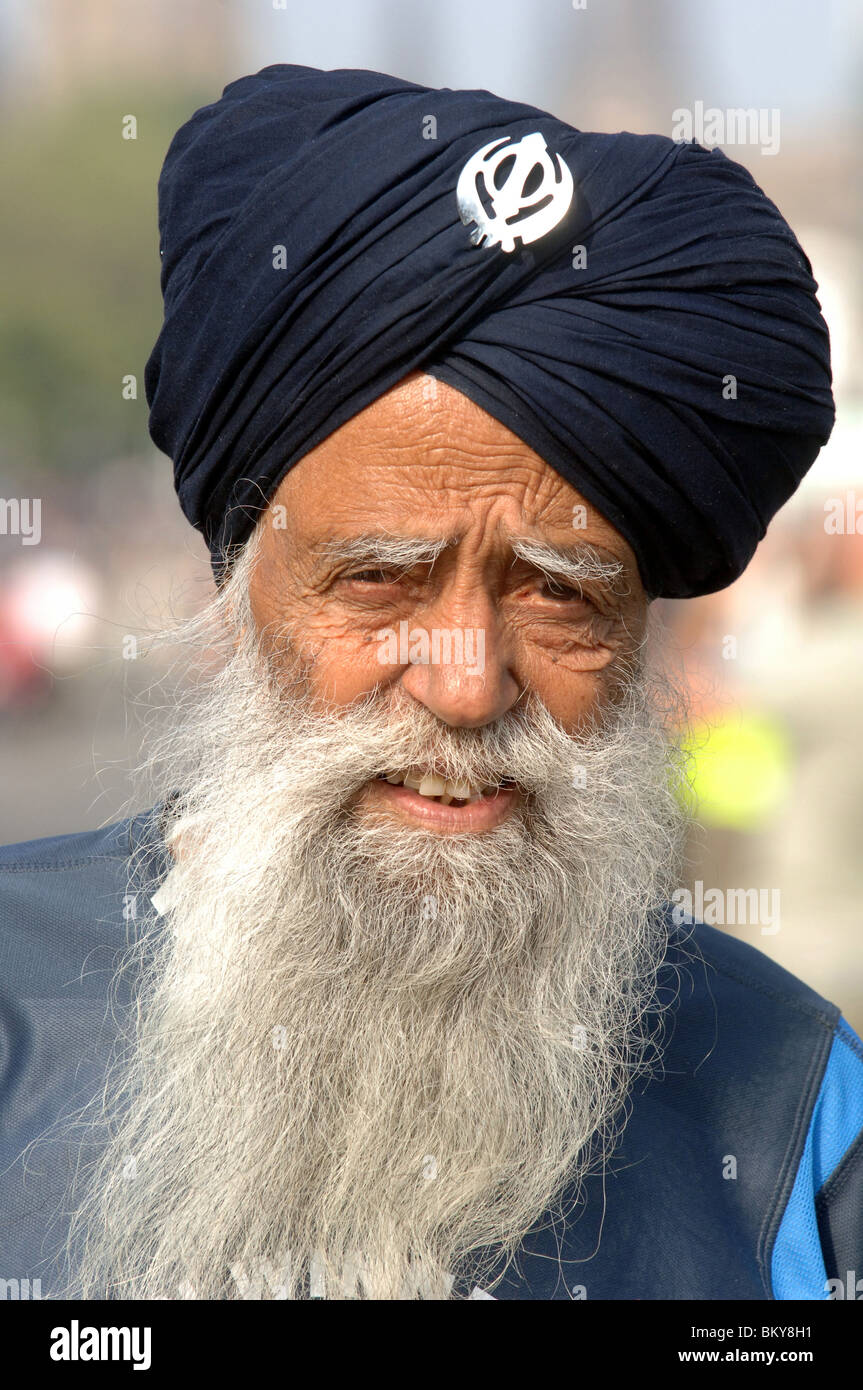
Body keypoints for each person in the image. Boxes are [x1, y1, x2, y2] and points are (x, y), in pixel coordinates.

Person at [1, 64, 860, 1302]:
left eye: (558, 592)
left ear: (641, 628)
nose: (466, 688)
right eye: (378, 583)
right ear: (244, 591)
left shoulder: (792, 1101)